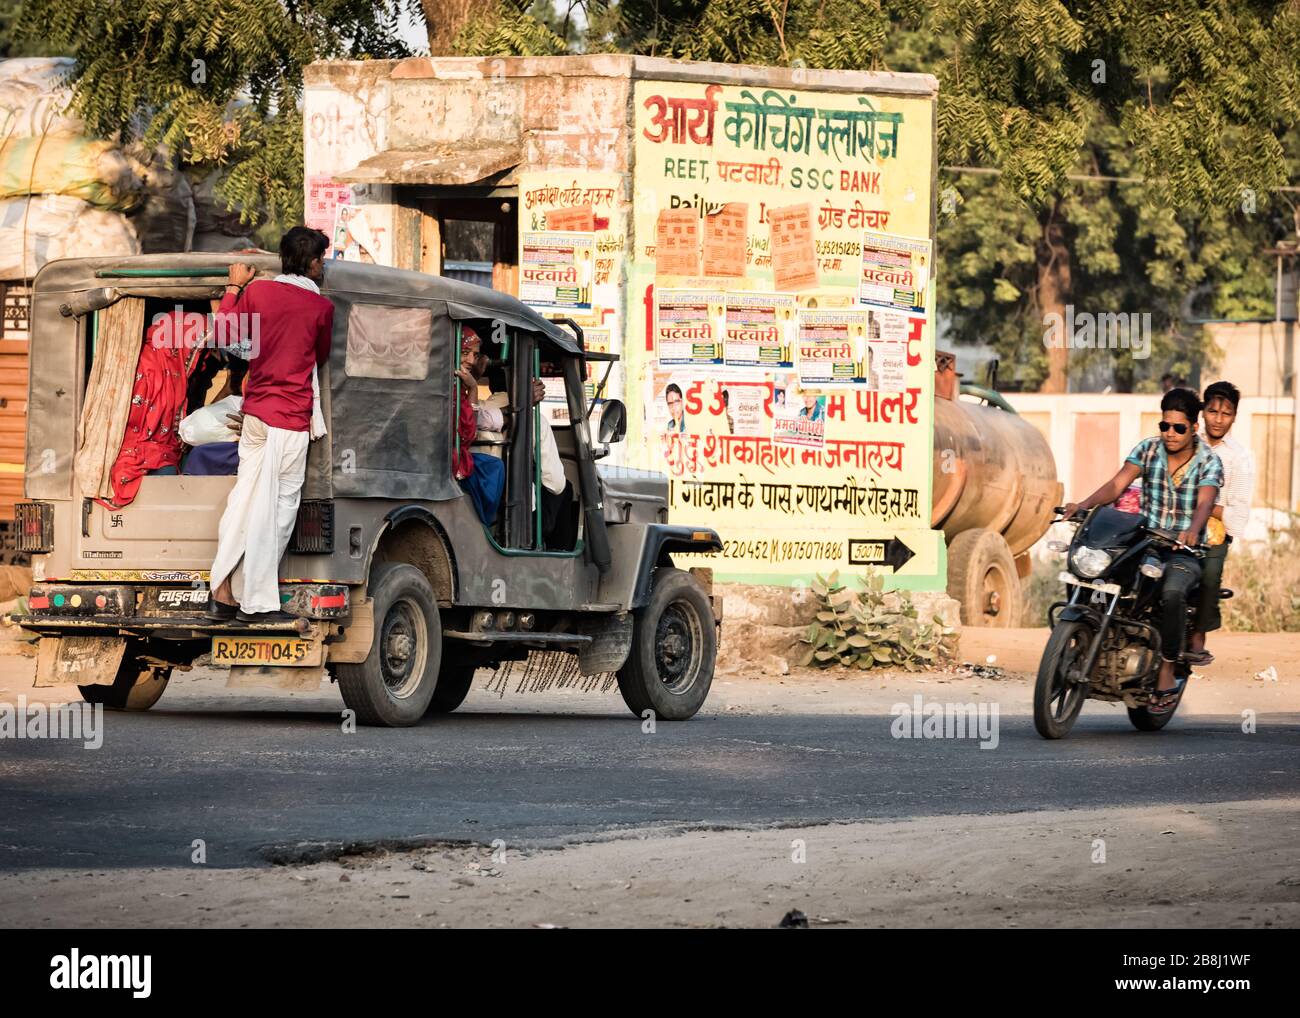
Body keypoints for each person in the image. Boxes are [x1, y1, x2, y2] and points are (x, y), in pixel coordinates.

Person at [1061, 388, 1223, 713]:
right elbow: (1117, 485)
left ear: (1193, 427)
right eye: (1165, 426)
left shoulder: (1209, 461)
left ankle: (1165, 669)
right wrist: (1083, 503)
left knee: (1173, 592)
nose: (1170, 434)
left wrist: (1193, 529)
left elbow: (1206, 500)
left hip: (1183, 551)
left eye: (1178, 428)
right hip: (1145, 540)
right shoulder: (1148, 450)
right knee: (1103, 573)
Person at [205, 227, 334, 623]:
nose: (323, 267)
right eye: (321, 260)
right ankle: (256, 603)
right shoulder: (321, 308)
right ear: (313, 264)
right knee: (276, 510)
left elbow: (224, 334)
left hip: (256, 415)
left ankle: (220, 591)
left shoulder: (257, 292)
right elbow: (322, 356)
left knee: (244, 501)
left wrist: (232, 288)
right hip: (289, 419)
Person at [1186, 380, 1254, 665]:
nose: (1218, 419)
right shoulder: (1185, 441)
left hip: (1214, 532)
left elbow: (1237, 511)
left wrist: (1203, 507)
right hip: (1174, 521)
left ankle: (1198, 635)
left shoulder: (1240, 457)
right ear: (1202, 413)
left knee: (1210, 576)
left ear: (1234, 417)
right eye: (1212, 411)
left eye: (1225, 414)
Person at [454, 328, 506, 526]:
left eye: (473, 355)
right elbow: (468, 433)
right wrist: (474, 387)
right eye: (465, 353)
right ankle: (483, 526)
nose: (469, 360)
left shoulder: (455, 385)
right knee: (495, 467)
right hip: (450, 463)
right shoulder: (454, 388)